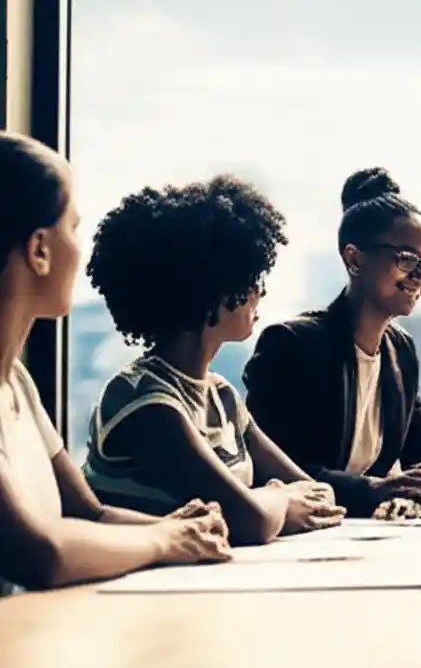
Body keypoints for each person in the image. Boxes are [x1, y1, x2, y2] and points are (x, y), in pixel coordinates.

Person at [0, 132, 230, 593]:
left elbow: (88, 513)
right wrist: (164, 540)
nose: (78, 248)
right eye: (74, 227)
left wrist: (180, 529)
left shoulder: (18, 382)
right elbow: (39, 554)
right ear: (39, 249)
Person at [82, 175, 345, 545]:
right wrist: (278, 498)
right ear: (209, 296)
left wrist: (276, 503)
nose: (259, 293)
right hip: (141, 593)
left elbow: (317, 494)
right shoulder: (144, 404)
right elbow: (251, 521)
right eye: (249, 280)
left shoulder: (221, 396)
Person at [243, 168, 421, 518]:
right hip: (295, 536)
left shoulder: (402, 353)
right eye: (405, 259)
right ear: (354, 258)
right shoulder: (291, 345)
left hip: (362, 540)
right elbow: (272, 470)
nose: (419, 275)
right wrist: (373, 490)